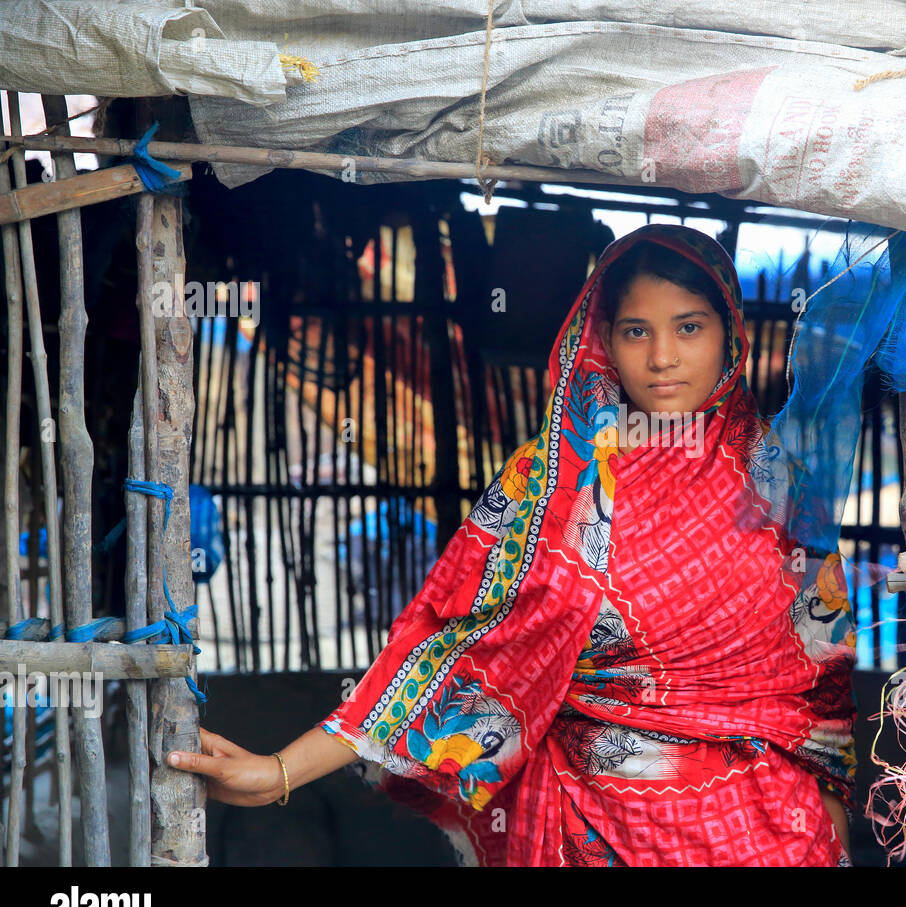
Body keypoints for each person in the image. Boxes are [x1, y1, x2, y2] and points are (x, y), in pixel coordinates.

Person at [168, 223, 859, 866]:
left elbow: (822, 691)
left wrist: (830, 821)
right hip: (588, 830)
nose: (663, 357)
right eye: (635, 331)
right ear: (602, 340)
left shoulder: (777, 487)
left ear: (729, 334)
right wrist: (279, 772)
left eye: (689, 327)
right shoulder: (552, 481)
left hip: (772, 834)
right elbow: (458, 652)